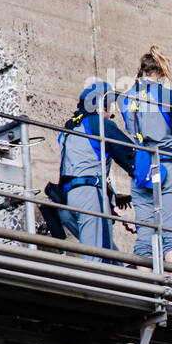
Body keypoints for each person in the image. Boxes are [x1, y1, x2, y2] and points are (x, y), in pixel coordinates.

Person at [120, 46, 172, 266]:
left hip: (142, 171)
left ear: (140, 72)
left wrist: (136, 82)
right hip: (169, 168)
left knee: (145, 239)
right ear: (162, 72)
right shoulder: (170, 97)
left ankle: (145, 295)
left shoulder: (125, 100)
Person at [54, 81, 137, 256]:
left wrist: (113, 193)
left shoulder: (69, 128)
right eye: (111, 104)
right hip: (90, 196)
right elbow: (131, 155)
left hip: (68, 199)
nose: (112, 110)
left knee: (108, 254)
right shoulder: (98, 124)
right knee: (101, 257)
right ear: (102, 105)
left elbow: (80, 166)